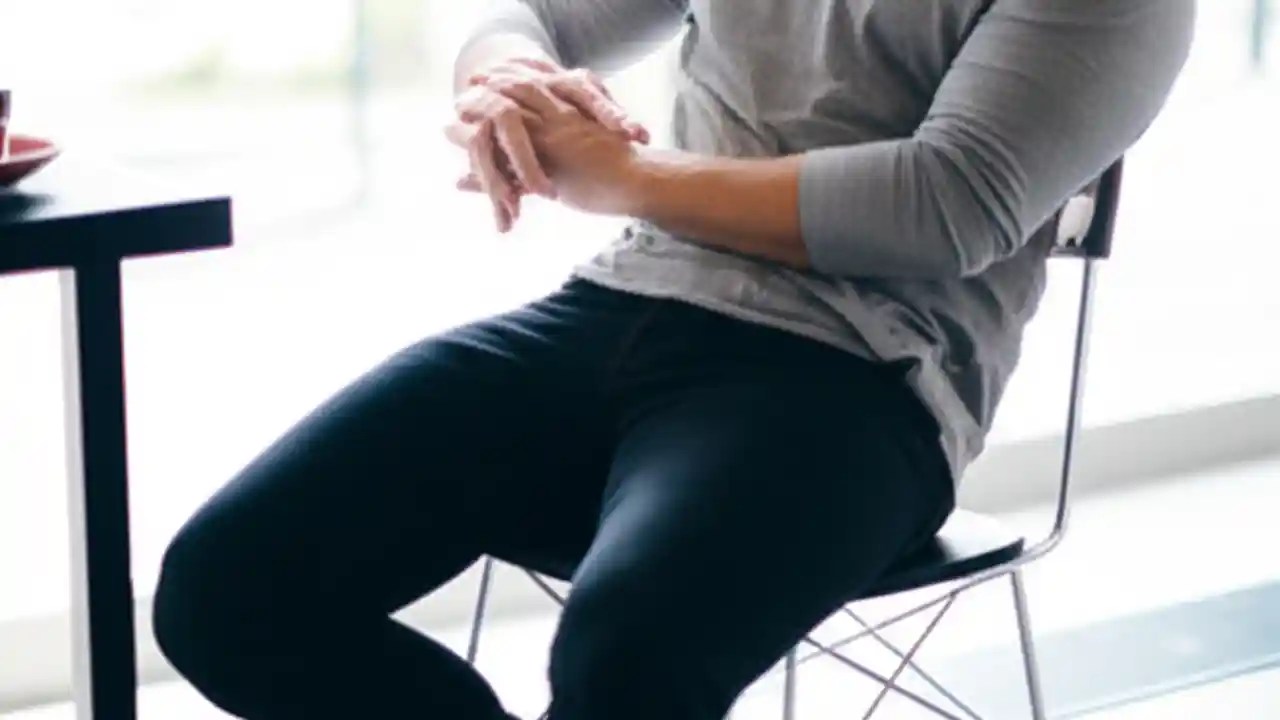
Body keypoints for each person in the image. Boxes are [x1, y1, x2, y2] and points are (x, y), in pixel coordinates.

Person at [151, 1, 1195, 718]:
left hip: (860, 378)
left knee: (627, 659)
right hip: (621, 305)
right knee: (227, 589)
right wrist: (506, 83)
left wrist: (623, 176)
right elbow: (534, 18)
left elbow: (944, 205)